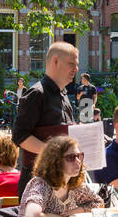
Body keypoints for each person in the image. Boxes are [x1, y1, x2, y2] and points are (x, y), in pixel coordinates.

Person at [11, 42, 78, 185]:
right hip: (38, 181)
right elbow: (19, 136)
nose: (76, 69)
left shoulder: (63, 95)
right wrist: (54, 153)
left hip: (60, 180)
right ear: (55, 61)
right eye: (71, 64)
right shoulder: (37, 94)